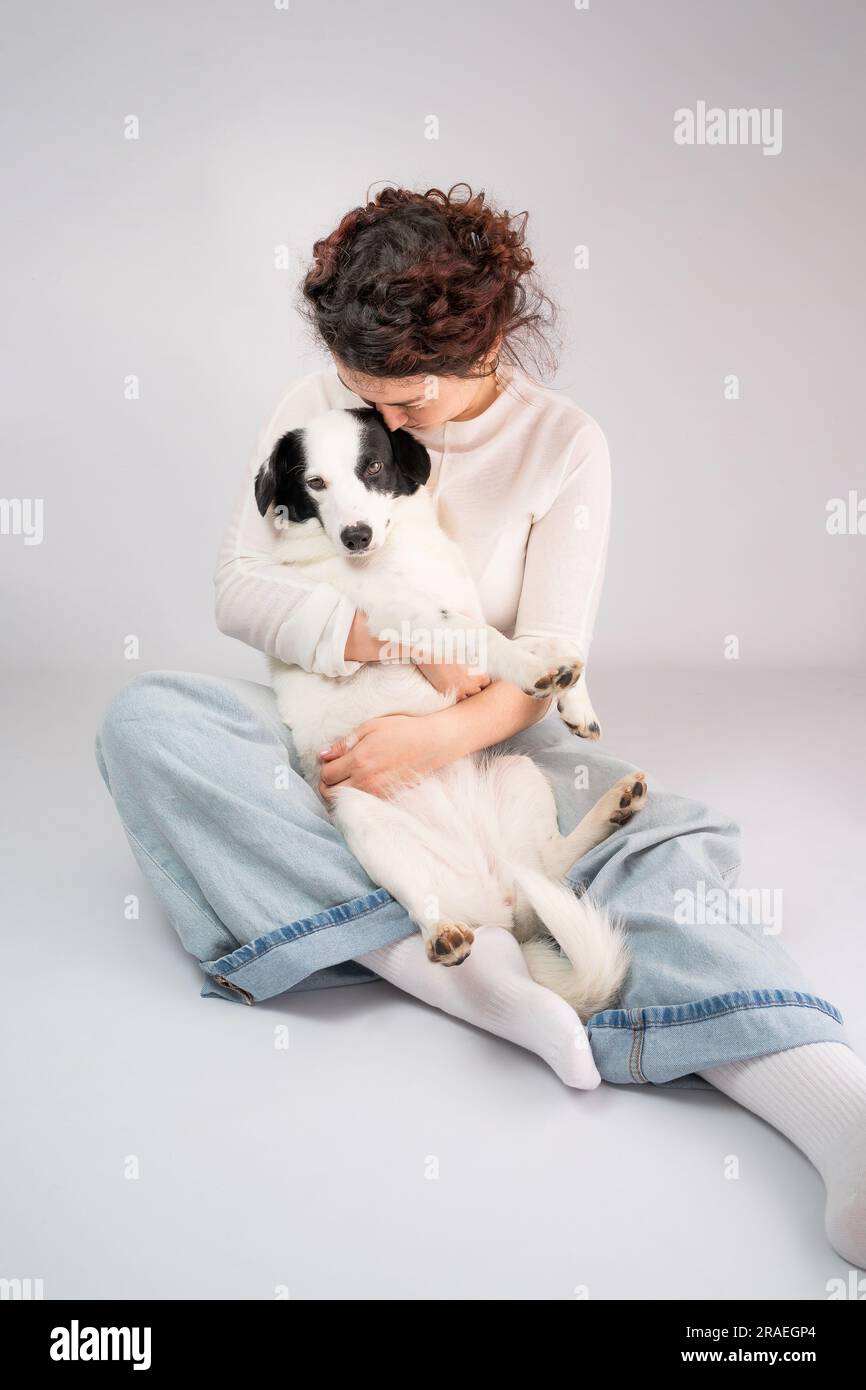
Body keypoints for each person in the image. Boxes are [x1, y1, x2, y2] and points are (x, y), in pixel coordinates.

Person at [96, 183, 866, 1265]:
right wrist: (388, 652)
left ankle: (842, 1119)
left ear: (487, 341)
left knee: (661, 843)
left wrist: (430, 740)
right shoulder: (319, 398)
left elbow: (547, 658)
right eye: (364, 396)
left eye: (406, 404)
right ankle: (456, 968)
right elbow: (238, 591)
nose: (383, 424)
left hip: (489, 731)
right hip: (338, 722)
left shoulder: (564, 445)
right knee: (148, 724)